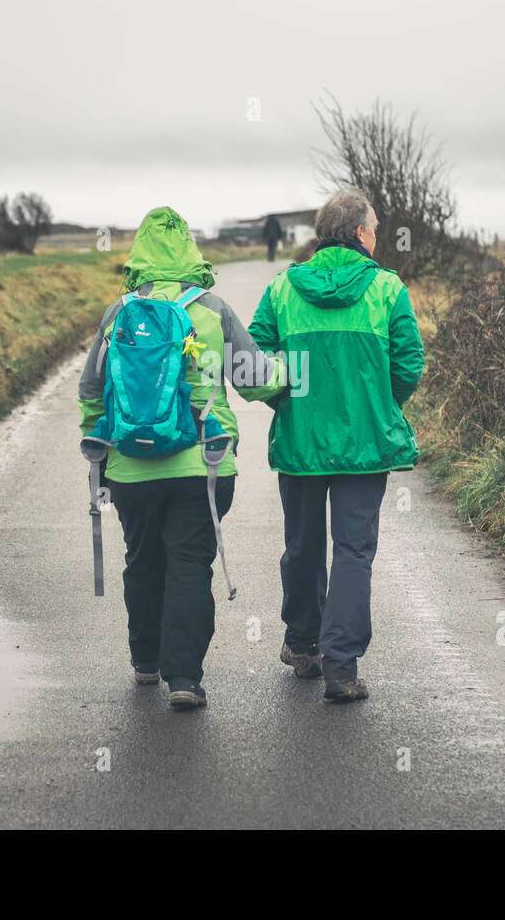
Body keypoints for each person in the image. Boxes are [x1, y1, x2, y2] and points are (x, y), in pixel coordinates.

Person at [78, 207, 285, 709]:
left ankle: (145, 661)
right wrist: (286, 369)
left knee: (142, 559)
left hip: (130, 466)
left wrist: (99, 455)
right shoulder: (212, 309)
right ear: (191, 251)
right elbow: (256, 380)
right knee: (190, 563)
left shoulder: (117, 314)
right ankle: (185, 679)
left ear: (139, 256)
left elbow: (91, 391)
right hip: (204, 468)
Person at [248, 188, 425, 702]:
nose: (377, 236)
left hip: (301, 443)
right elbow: (409, 364)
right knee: (353, 551)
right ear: (360, 234)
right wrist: (376, 405)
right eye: (374, 228)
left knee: (303, 545)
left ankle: (303, 646)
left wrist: (290, 400)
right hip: (365, 447)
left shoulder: (283, 288)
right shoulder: (388, 289)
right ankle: (341, 669)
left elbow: (255, 360)